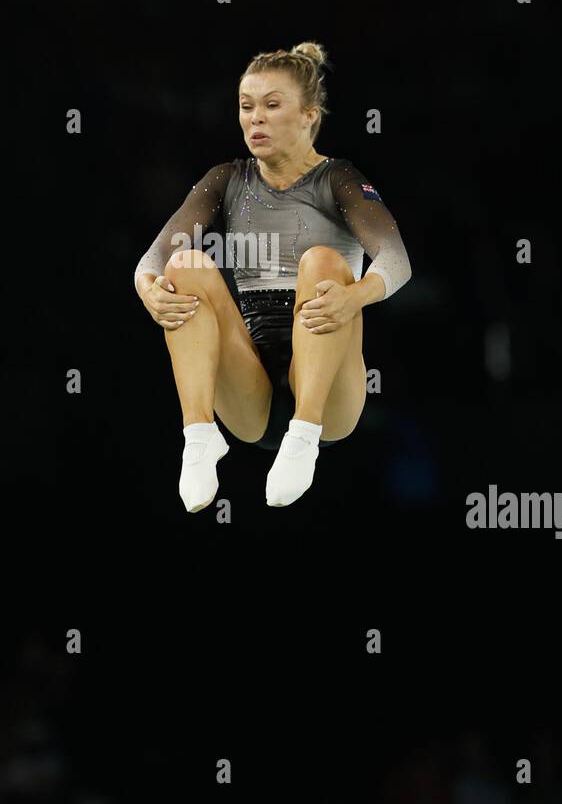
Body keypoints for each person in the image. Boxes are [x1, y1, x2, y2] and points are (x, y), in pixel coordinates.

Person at [134, 42, 411, 512]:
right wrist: (148, 291)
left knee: (321, 261)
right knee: (185, 267)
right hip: (251, 392)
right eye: (246, 107)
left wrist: (355, 297)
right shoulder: (226, 179)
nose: (255, 118)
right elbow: (153, 259)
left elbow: (396, 259)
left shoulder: (337, 178)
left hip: (327, 399)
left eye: (271, 105)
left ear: (309, 115)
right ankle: (200, 438)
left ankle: (302, 436)